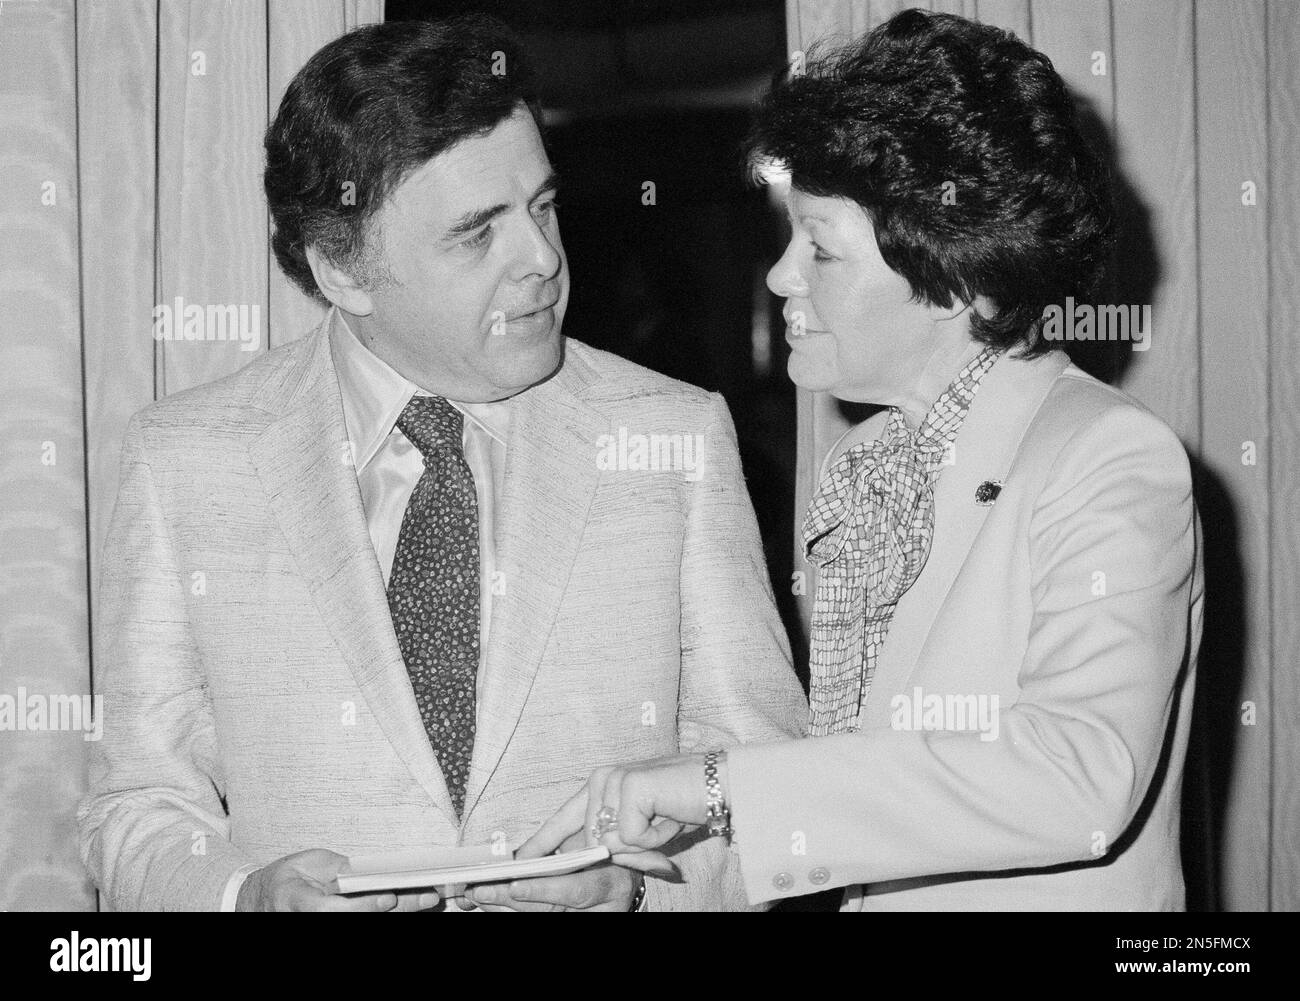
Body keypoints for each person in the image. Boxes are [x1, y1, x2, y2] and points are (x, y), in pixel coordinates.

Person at [77, 15, 806, 912]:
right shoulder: (185, 461)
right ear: (343, 273)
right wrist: (244, 897)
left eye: (543, 206)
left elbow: (767, 787)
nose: (542, 259)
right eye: (477, 232)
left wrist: (642, 893)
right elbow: (140, 805)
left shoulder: (676, 441)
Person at [523, 8, 1204, 911]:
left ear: (955, 275)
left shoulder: (1108, 456)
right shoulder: (865, 462)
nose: (779, 278)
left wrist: (722, 784)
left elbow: (1077, 775)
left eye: (822, 248)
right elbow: (859, 797)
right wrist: (637, 887)